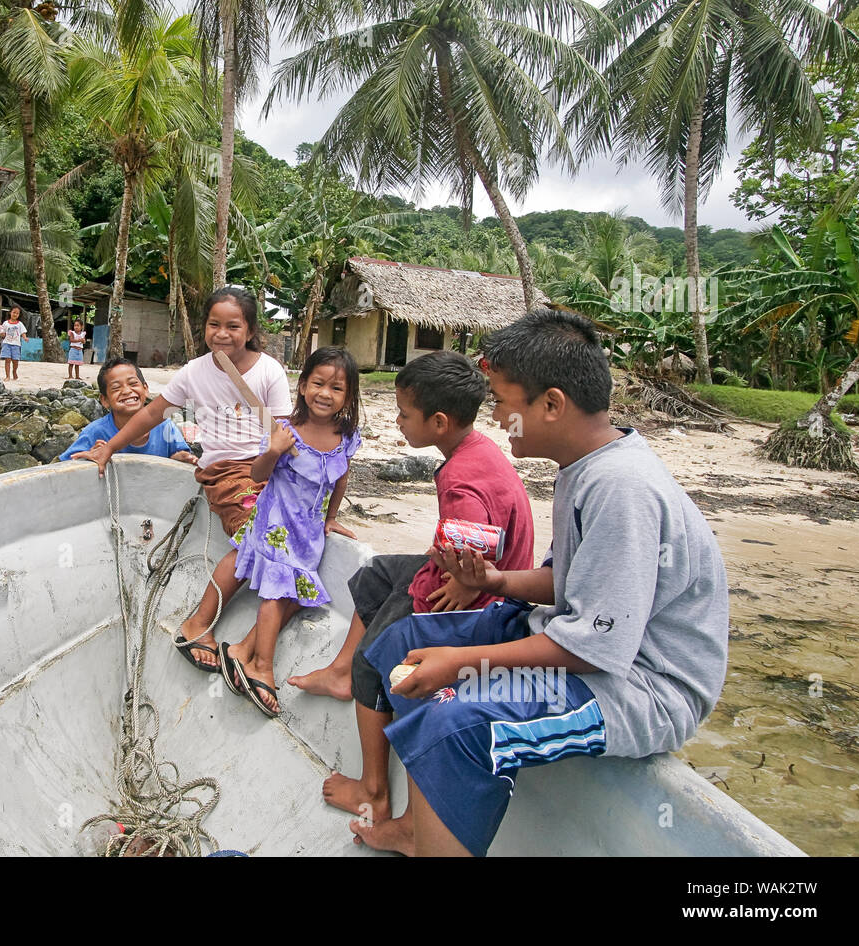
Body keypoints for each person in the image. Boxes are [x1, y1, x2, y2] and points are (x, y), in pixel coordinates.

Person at [366, 308, 729, 857]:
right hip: (582, 641)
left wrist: (464, 663)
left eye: (502, 402)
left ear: (552, 404)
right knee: (403, 643)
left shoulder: (620, 489)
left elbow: (597, 648)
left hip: (640, 685)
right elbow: (569, 581)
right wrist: (497, 579)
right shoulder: (582, 465)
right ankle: (420, 829)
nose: (495, 415)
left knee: (454, 723)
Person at [286, 351, 535, 846]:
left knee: (373, 661)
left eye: (403, 414)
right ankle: (339, 671)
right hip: (462, 573)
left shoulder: (460, 478)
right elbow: (480, 537)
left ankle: (374, 788)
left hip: (468, 602)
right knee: (378, 574)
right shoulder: (476, 450)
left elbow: (471, 558)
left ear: (438, 422)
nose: (397, 422)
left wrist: (455, 579)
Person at [75, 286, 292, 671]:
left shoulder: (270, 370)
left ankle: (247, 647)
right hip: (228, 472)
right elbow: (151, 414)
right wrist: (108, 447)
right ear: (203, 326)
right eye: (214, 325)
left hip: (272, 468)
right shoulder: (194, 373)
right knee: (254, 539)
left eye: (233, 326)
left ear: (251, 329)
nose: (222, 334)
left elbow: (285, 431)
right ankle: (197, 624)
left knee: (299, 545)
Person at [218, 347, 361, 717]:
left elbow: (340, 479)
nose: (325, 393)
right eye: (318, 383)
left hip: (309, 530)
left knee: (300, 597)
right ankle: (262, 666)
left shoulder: (346, 436)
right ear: (302, 386)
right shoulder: (287, 433)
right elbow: (257, 476)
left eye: (336, 388)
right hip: (277, 524)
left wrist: (331, 518)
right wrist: (274, 449)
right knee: (278, 593)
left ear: (348, 396)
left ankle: (241, 650)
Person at [58, 357, 196, 463]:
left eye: (133, 383)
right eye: (116, 388)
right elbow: (64, 468)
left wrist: (183, 458)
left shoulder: (165, 426)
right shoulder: (95, 432)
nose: (126, 391)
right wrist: (88, 461)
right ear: (104, 400)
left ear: (145, 389)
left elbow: (179, 457)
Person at [0, 305, 27, 381]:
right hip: (6, 344)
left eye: (17, 313)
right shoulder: (5, 323)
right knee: (7, 360)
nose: (15, 314)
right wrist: (1, 333)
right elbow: (3, 333)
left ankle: (14, 372)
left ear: (19, 315)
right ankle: (7, 376)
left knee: (15, 361)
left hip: (16, 345)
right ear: (10, 313)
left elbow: (23, 332)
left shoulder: (20, 324)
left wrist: (24, 337)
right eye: (14, 312)